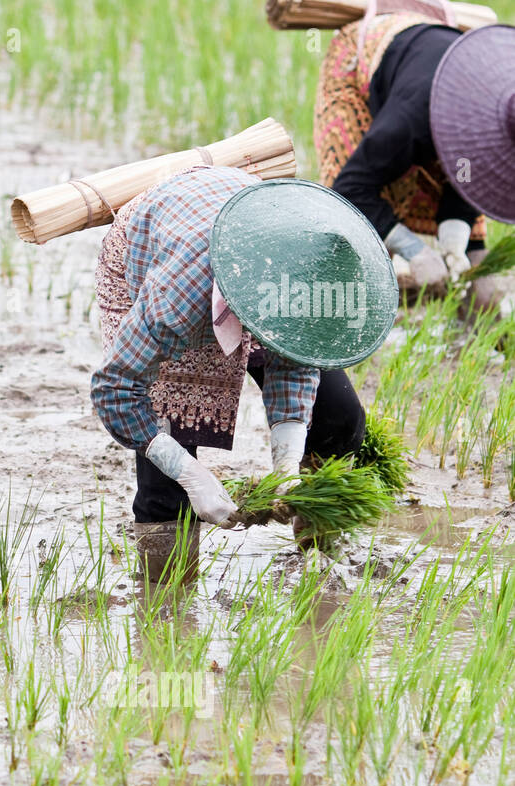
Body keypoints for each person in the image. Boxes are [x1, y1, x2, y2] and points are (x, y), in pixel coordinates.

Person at [90, 167, 399, 575]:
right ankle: (165, 595)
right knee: (171, 460)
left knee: (339, 418)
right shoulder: (175, 299)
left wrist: (287, 465)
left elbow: (296, 361)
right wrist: (189, 473)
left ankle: (318, 551)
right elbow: (115, 387)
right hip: (156, 252)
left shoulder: (306, 272)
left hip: (262, 245)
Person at [315, 7, 515, 314]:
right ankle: (335, 326)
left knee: (481, 280)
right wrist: (413, 249)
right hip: (364, 64)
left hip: (438, 72)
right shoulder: (407, 123)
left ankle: (471, 328)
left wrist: (455, 235)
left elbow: (473, 180)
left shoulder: (499, 119)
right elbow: (349, 188)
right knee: (353, 238)